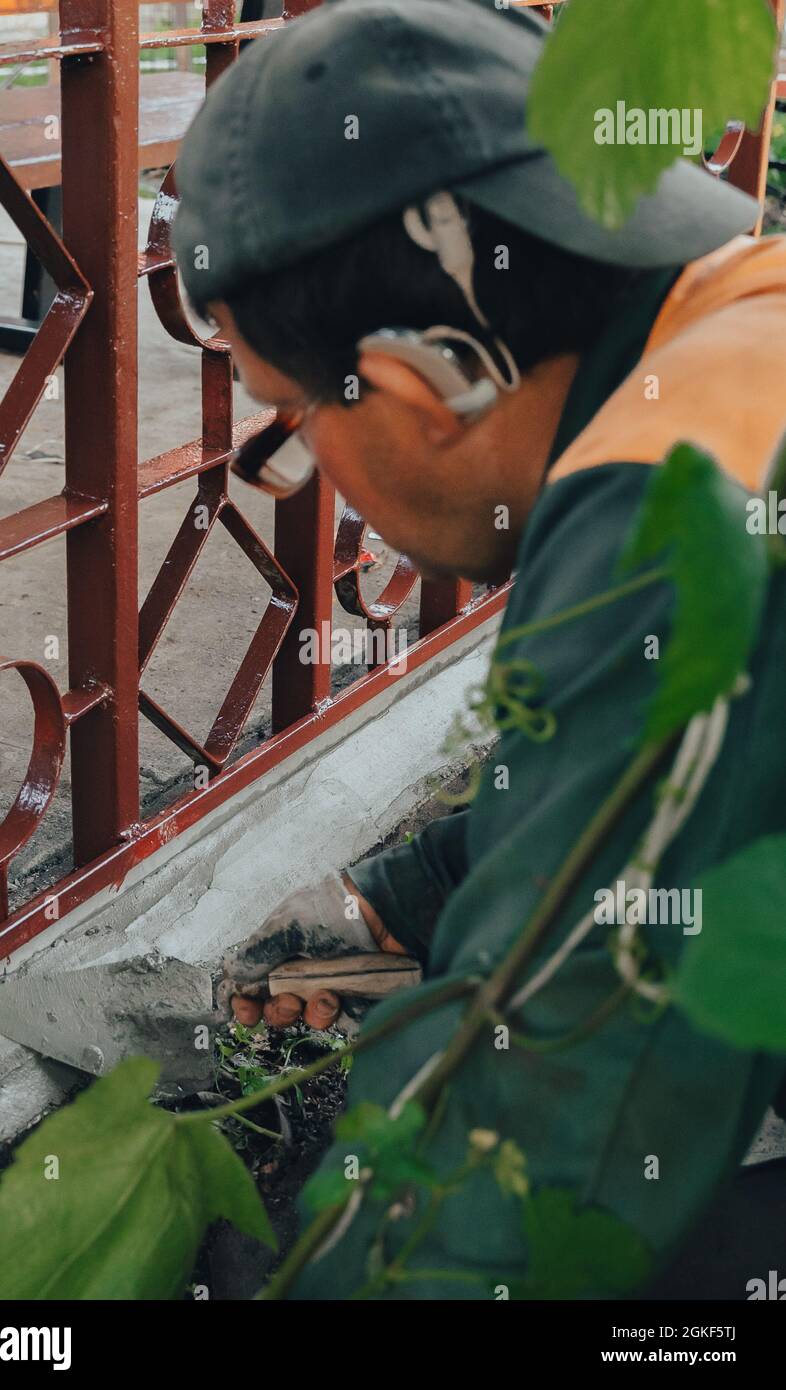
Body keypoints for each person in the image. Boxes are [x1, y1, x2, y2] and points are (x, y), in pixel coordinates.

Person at [173, 0, 786, 1297]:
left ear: (411, 387)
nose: (307, 466)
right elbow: (655, 796)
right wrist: (389, 904)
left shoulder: (673, 506)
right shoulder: (735, 343)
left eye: (285, 416)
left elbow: (549, 1112)